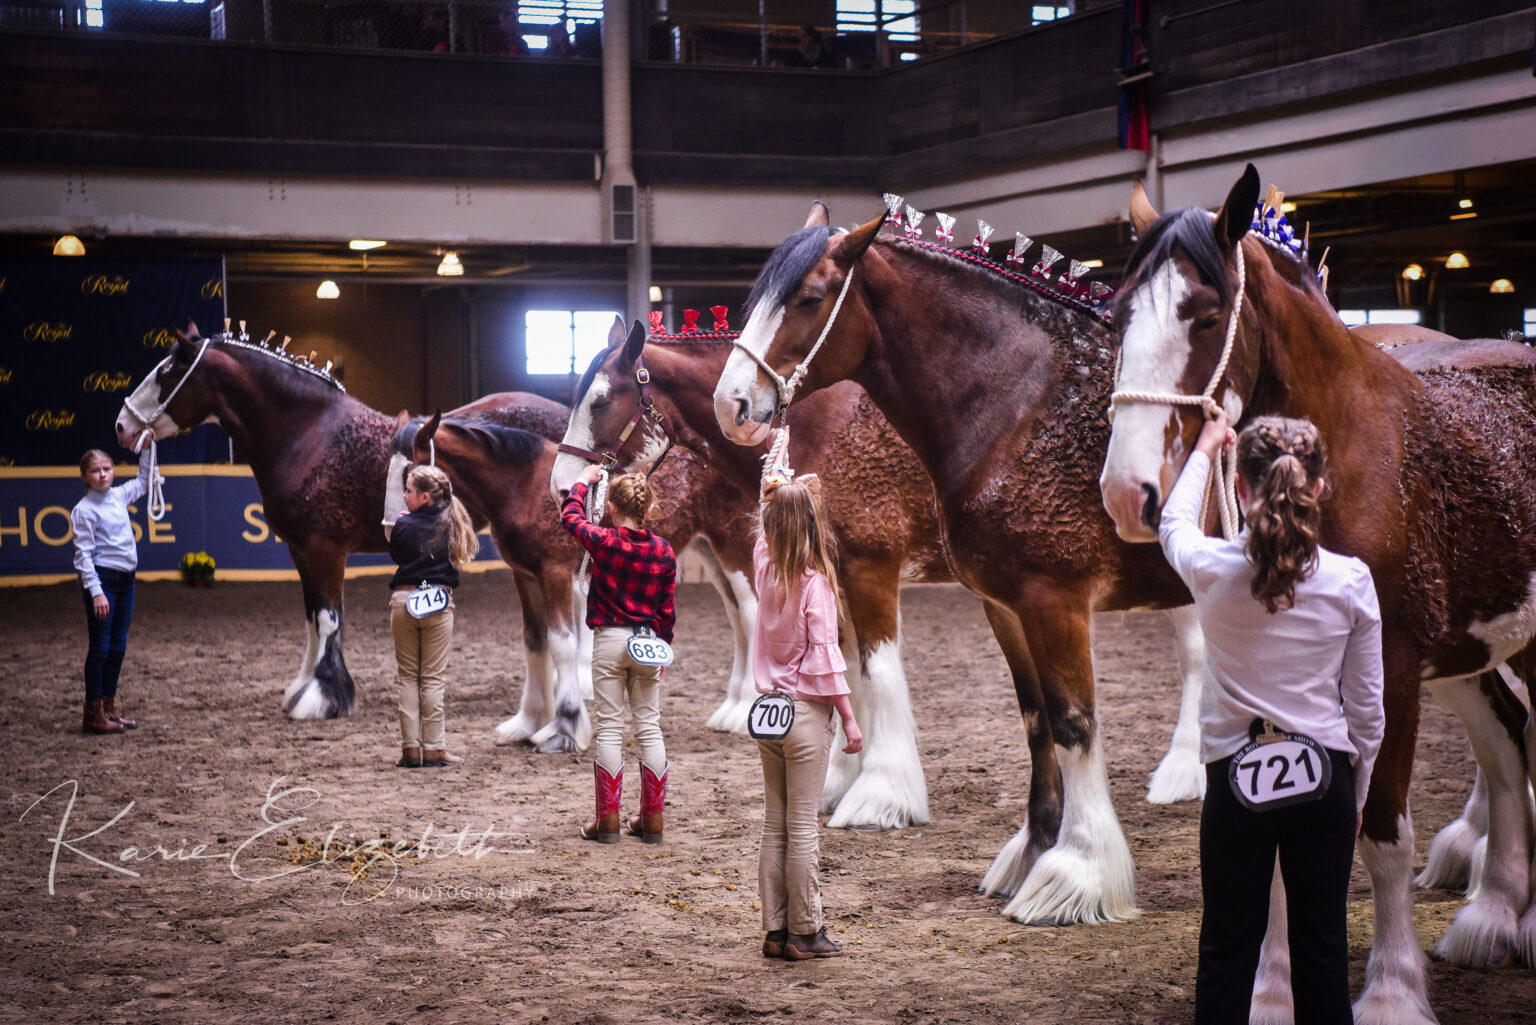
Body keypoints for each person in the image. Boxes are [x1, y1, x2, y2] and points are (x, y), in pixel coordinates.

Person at [1159, 412, 1384, 1025]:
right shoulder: (1351, 582)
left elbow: (1172, 522)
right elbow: (1367, 715)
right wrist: (1356, 790)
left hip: (1235, 787)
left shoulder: (1210, 568)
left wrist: (1205, 447)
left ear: (1240, 488)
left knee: (1227, 951)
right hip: (1326, 786)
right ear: (1321, 487)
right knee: (1323, 953)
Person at [752, 470, 863, 961]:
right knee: (802, 827)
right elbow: (827, 659)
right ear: (814, 525)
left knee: (773, 824)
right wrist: (850, 718)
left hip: (767, 714)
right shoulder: (815, 584)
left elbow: (766, 524)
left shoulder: (763, 566)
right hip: (803, 714)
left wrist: (778, 487)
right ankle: (806, 930)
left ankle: (775, 931)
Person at [560, 467, 677, 843]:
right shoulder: (664, 551)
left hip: (610, 638)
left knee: (610, 727)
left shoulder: (605, 541)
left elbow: (570, 516)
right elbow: (667, 610)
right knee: (649, 725)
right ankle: (652, 821)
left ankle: (607, 821)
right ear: (648, 507)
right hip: (648, 642)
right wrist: (663, 650)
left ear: (610, 507)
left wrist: (583, 480)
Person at [385, 464, 477, 768]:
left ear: (424, 497)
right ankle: (435, 748)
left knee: (408, 678)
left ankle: (410, 749)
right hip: (438, 602)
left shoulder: (403, 525)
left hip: (403, 600)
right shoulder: (453, 521)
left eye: (409, 491)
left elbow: (397, 554)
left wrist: (401, 523)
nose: (405, 496)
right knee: (433, 679)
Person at [71, 447, 155, 735]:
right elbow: (83, 554)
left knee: (118, 647)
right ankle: (93, 712)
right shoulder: (84, 510)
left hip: (125, 581)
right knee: (101, 648)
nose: (103, 474)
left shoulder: (118, 495)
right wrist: (96, 591)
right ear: (85, 476)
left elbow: (144, 480)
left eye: (107, 468)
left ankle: (108, 707)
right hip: (104, 581)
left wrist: (146, 447)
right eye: (95, 471)